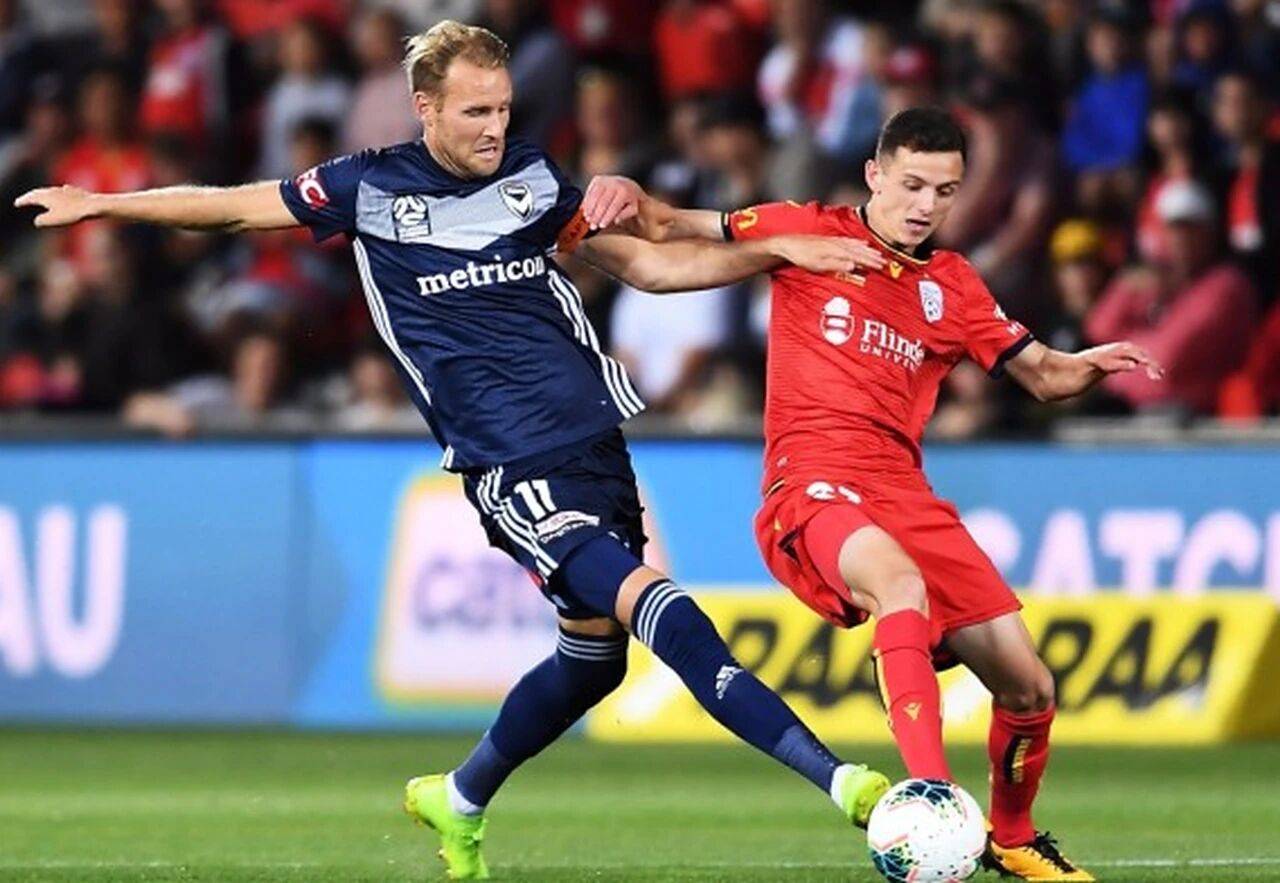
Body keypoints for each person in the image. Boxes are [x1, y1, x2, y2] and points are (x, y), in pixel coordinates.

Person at [16, 20, 892, 881]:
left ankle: (460, 795)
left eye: (503, 109)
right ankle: (847, 784)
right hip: (511, 464)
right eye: (475, 111)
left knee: (593, 661)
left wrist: (777, 252)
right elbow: (235, 208)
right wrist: (105, 203)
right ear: (425, 108)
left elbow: (655, 267)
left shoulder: (531, 178)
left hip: (593, 441)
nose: (493, 128)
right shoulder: (367, 186)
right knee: (657, 603)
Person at [583, 107, 1165, 882]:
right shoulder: (806, 230)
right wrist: (610, 200)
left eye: (945, 191)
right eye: (913, 184)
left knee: (1029, 685)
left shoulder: (953, 285)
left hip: (903, 491)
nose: (926, 205)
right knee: (899, 584)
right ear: (875, 174)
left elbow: (1044, 375)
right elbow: (665, 225)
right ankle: (932, 796)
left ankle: (1014, 837)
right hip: (811, 479)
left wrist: (1088, 362)